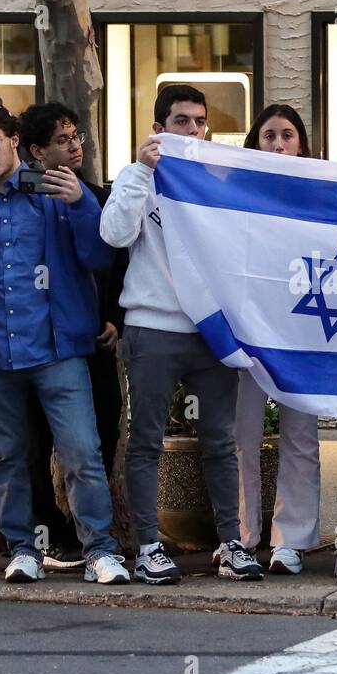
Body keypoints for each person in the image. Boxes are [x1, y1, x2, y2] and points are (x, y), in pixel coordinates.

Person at [0, 103, 131, 585]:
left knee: (82, 452)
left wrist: (83, 204)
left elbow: (99, 257)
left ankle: (100, 551)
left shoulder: (55, 192)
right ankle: (23, 549)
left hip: (57, 349)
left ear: (13, 141)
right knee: (9, 455)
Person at [99, 84, 262, 584]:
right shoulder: (138, 176)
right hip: (152, 327)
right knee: (146, 441)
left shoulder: (217, 177)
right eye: (181, 121)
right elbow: (114, 234)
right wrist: (140, 170)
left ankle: (232, 544)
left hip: (213, 330)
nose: (192, 130)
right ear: (158, 128)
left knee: (220, 441)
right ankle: (149, 546)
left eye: (199, 121)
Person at [17, 102, 131, 566]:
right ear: (36, 152)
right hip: (40, 341)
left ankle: (93, 529)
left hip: (92, 337)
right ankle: (50, 530)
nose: (75, 145)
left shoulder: (96, 196)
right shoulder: (23, 200)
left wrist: (114, 318)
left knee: (101, 426)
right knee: (35, 438)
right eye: (61, 140)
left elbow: (113, 260)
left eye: (76, 135)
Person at [231, 104, 324, 575]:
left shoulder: (319, 193)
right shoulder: (234, 195)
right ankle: (242, 536)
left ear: (302, 144)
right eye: (268, 135)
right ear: (255, 144)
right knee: (242, 434)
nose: (278, 144)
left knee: (301, 435)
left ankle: (292, 540)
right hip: (248, 327)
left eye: (288, 135)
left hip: (304, 330)